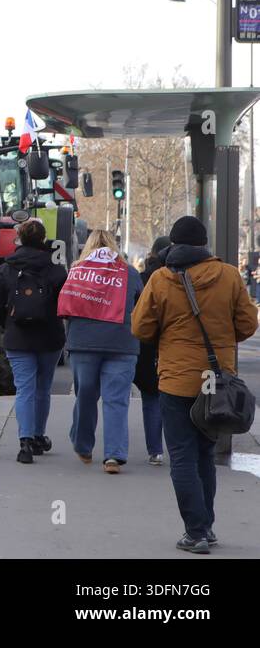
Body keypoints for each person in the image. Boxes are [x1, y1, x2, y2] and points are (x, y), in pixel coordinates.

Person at [131, 215, 258, 554]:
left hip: (175, 380)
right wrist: (224, 335)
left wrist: (166, 336)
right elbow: (247, 323)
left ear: (173, 244)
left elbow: (141, 328)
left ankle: (196, 530)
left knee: (182, 457)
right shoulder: (229, 276)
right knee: (205, 454)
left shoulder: (160, 279)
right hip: (216, 382)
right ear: (204, 244)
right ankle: (208, 526)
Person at [60, 230, 144, 473]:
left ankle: (83, 444)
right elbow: (141, 304)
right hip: (122, 343)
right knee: (116, 400)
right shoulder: (129, 273)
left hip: (84, 343)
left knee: (85, 395)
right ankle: (114, 456)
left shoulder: (77, 270)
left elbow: (66, 306)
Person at [0, 218, 69, 464]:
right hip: (49, 337)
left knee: (24, 389)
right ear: (43, 240)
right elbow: (64, 304)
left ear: (20, 239)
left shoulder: (6, 268)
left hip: (18, 337)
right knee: (43, 389)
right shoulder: (56, 269)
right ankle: (38, 436)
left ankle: (24, 442)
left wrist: (10, 324)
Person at [135, 235, 171, 465]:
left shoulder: (141, 278)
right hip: (172, 344)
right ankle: (170, 448)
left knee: (151, 397)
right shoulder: (177, 279)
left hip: (144, 345)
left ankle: (155, 450)